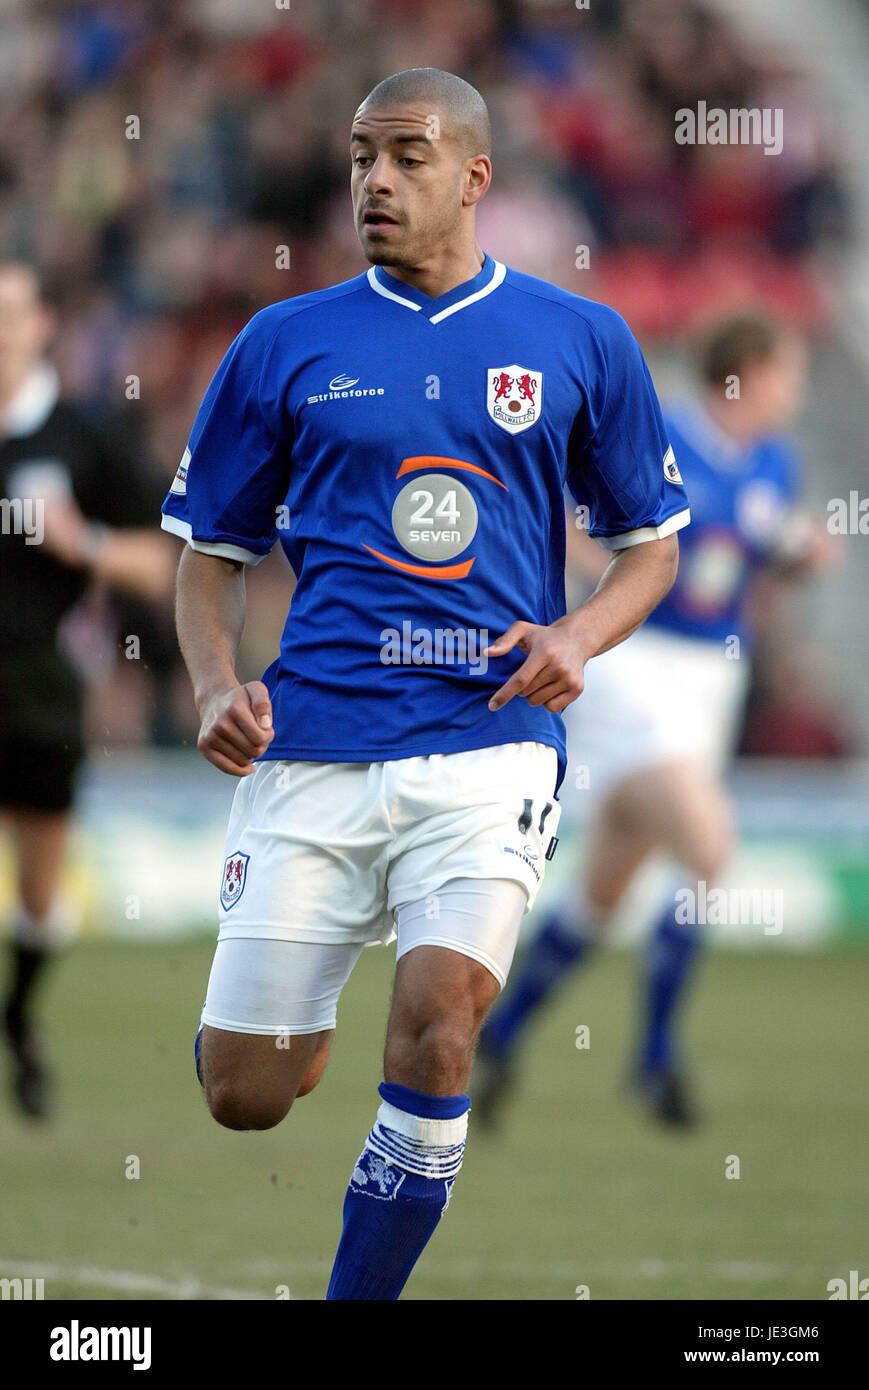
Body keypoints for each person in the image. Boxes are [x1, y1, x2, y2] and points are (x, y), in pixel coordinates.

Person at [161, 67, 689, 1301]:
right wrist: (206, 686)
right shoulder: (283, 342)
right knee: (246, 1094)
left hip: (489, 747)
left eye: (404, 156)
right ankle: (286, 1013)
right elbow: (208, 554)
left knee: (439, 1028)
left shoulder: (578, 339)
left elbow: (650, 546)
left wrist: (577, 636)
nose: (374, 182)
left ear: (473, 176)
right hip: (312, 745)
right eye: (359, 159)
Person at [476, 311, 829, 1128]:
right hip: (634, 666)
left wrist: (800, 553)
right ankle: (655, 1056)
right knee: (708, 849)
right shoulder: (664, 428)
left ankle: (498, 1040)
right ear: (747, 370)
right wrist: (599, 578)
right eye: (788, 370)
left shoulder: (774, 460)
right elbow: (572, 507)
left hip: (710, 682)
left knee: (606, 889)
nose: (796, 389)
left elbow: (756, 546)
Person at [0, 262, 173, 1119]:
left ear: (41, 327)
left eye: (10, 315)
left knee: (39, 893)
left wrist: (85, 543)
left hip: (38, 690)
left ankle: (21, 1018)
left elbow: (162, 558)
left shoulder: (82, 437)